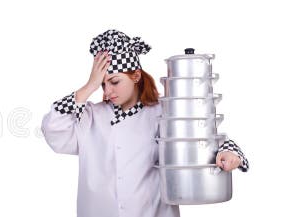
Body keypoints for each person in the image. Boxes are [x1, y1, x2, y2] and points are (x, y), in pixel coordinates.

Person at [41, 29, 248, 217]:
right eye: (102, 84)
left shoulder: (165, 112)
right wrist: (89, 86)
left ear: (136, 76)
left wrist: (230, 155)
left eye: (114, 81)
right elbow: (52, 128)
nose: (107, 91)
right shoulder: (89, 116)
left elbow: (207, 141)